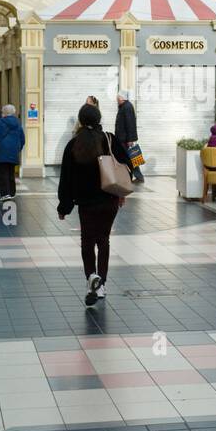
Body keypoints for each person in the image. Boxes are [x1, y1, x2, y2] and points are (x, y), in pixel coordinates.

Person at [57, 104, 129, 307]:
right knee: (103, 240)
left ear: (80, 120)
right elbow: (128, 164)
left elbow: (66, 179)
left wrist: (64, 206)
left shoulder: (73, 145)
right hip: (109, 200)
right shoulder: (109, 139)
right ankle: (102, 284)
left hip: (86, 203)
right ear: (99, 118)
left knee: (87, 241)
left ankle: (91, 278)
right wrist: (122, 192)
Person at [114, 90, 143, 185]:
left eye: (118, 97)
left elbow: (130, 124)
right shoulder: (124, 107)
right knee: (129, 157)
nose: (116, 99)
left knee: (130, 158)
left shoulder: (127, 107)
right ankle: (133, 176)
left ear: (122, 98)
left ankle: (138, 176)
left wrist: (130, 139)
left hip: (125, 139)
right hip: (122, 138)